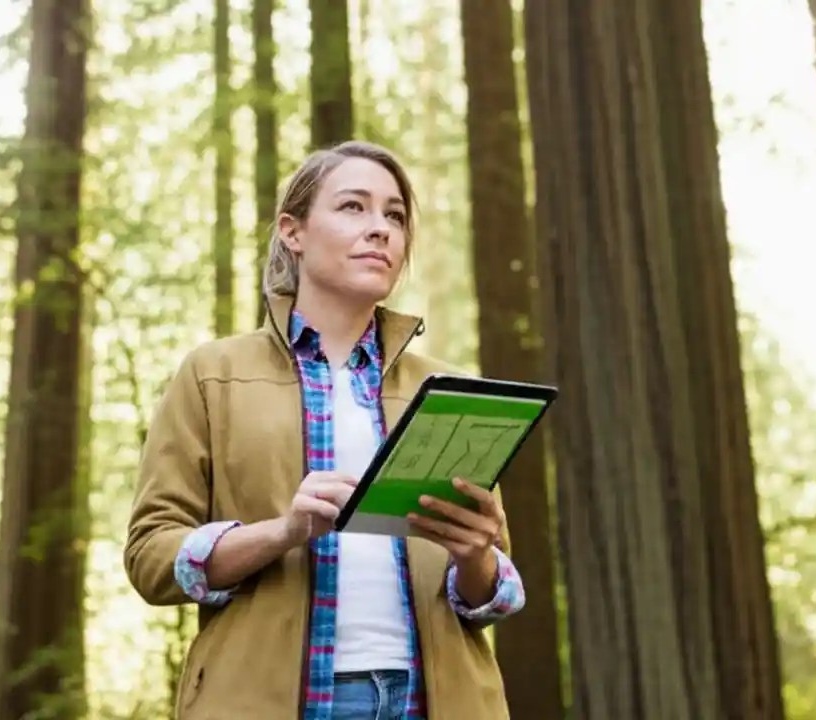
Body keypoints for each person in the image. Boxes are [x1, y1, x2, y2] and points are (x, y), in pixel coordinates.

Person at [124, 140, 526, 720]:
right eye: (353, 207)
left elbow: (494, 590)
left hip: (432, 701)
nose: (380, 229)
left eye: (394, 215)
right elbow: (151, 557)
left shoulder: (447, 389)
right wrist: (283, 531)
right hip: (265, 702)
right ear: (294, 231)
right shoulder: (213, 376)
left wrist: (475, 556)